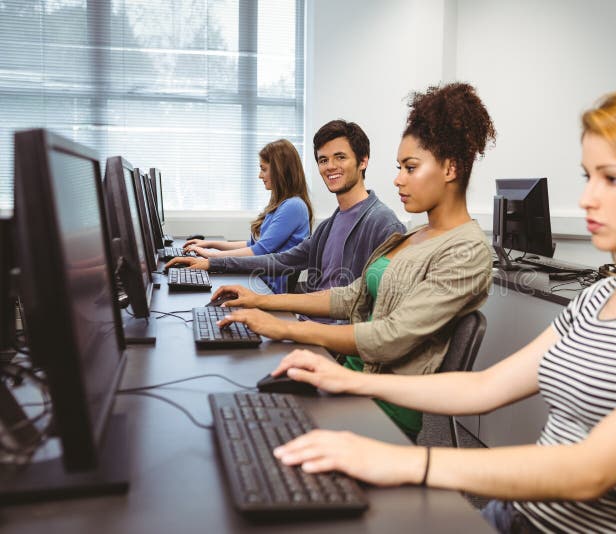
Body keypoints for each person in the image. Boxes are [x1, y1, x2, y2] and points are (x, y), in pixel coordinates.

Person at [265, 85, 616, 533]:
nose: (587, 198)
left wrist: (405, 464)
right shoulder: (599, 298)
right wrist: (348, 379)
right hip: (518, 515)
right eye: (589, 176)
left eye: (612, 178)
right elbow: (486, 386)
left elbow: (591, 471)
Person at [214, 83, 496, 437]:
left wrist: (286, 327)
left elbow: (392, 336)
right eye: (399, 167)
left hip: (380, 400)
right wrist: (262, 301)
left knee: (257, 429)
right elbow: (349, 296)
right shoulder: (413, 236)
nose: (397, 179)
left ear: (451, 169)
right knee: (238, 409)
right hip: (350, 374)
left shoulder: (466, 250)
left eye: (410, 168)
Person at [166, 120, 405, 304]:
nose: (330, 166)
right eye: (323, 160)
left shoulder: (383, 224)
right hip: (312, 321)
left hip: (334, 339)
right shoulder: (329, 226)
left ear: (363, 161)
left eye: (340, 157)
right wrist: (212, 264)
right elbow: (281, 260)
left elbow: (375, 310)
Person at [178, 139, 312, 294]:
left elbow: (259, 250)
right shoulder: (281, 204)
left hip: (267, 287)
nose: (259, 175)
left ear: (280, 171)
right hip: (258, 279)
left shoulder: (294, 206)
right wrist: (209, 245)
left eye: (264, 169)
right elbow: (252, 244)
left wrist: (213, 258)